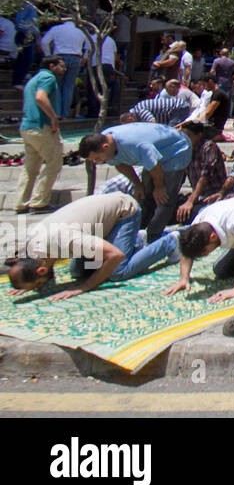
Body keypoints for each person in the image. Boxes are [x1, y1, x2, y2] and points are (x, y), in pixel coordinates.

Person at [10, 193, 178, 299]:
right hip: (96, 230)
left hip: (124, 212)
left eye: (38, 284)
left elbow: (115, 255)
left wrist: (85, 287)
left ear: (41, 270)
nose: (40, 288)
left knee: (118, 272)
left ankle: (170, 241)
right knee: (78, 271)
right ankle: (135, 242)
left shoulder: (64, 239)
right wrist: (26, 282)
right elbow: (34, 268)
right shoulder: (32, 249)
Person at [80, 122, 192, 241]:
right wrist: (137, 184)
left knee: (163, 199)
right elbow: (119, 163)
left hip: (176, 151)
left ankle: (152, 238)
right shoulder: (105, 140)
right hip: (153, 158)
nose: (97, 162)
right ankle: (139, 232)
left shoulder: (135, 145)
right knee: (145, 194)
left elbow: (155, 165)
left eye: (97, 158)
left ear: (105, 147)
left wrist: (159, 187)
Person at [15, 55, 65, 214]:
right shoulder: (47, 78)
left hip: (27, 127)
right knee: (54, 162)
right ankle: (39, 202)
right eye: (61, 66)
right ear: (52, 66)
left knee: (30, 167)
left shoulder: (34, 79)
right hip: (41, 127)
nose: (64, 69)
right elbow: (41, 97)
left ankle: (21, 202)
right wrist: (53, 118)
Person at [174, 120, 227, 225]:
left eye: (188, 136)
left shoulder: (208, 147)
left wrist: (190, 202)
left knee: (194, 215)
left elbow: (204, 177)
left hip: (213, 196)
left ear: (199, 135)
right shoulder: (186, 149)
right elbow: (180, 176)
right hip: (197, 196)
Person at [39, 18, 89, 118]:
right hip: (76, 58)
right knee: (69, 87)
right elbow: (90, 45)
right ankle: (64, 113)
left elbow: (44, 42)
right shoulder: (81, 31)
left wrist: (48, 56)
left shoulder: (56, 29)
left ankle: (56, 113)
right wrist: (85, 57)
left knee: (57, 85)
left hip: (59, 57)